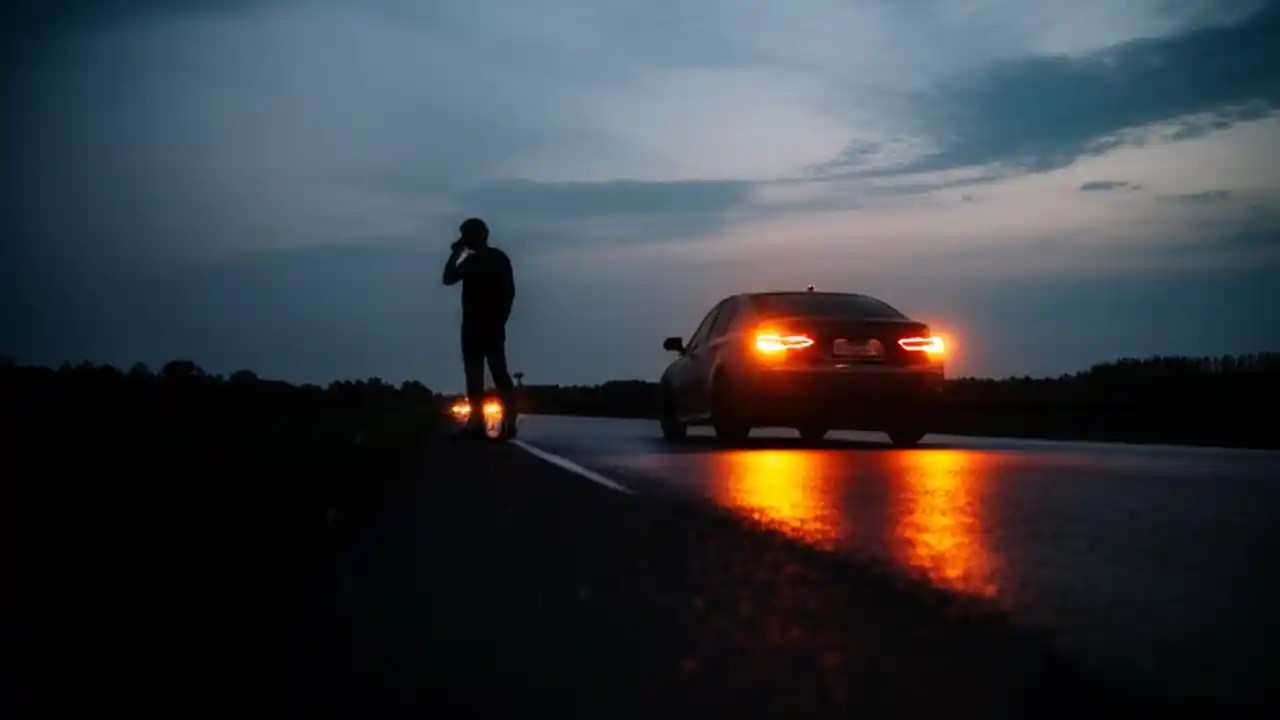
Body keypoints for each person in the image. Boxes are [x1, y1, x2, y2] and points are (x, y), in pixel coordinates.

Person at [443, 217, 517, 439]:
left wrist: (500, 319)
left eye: (467, 236)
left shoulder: (495, 258)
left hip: (489, 325)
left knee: (497, 372)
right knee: (475, 375)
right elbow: (448, 278)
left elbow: (509, 292)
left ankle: (509, 422)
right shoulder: (473, 260)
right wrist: (457, 252)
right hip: (473, 326)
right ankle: (477, 423)